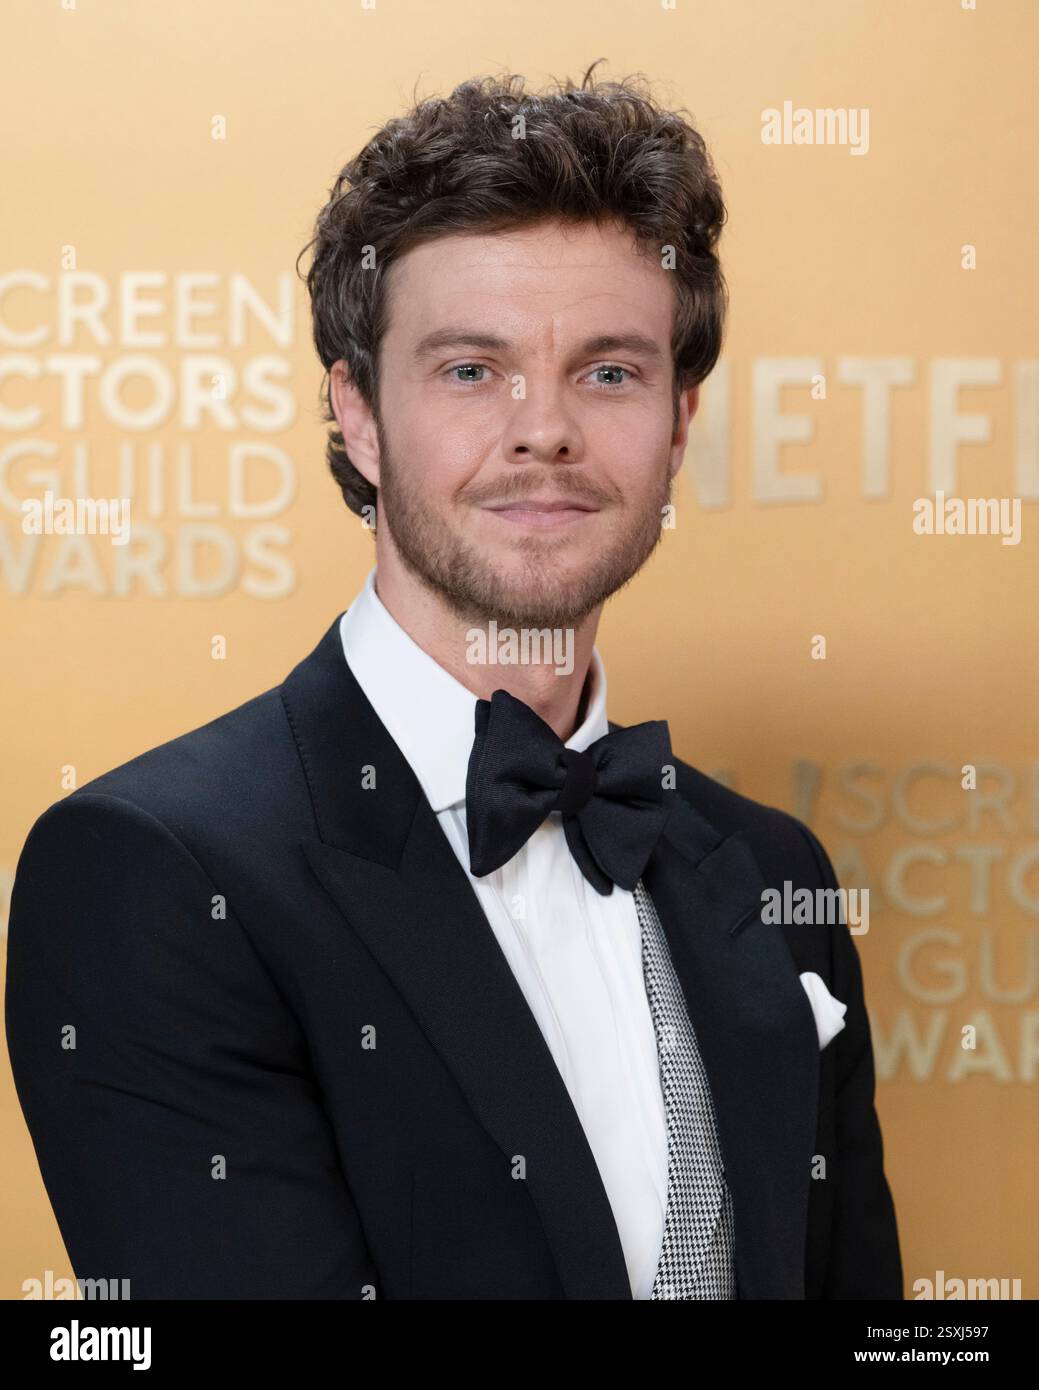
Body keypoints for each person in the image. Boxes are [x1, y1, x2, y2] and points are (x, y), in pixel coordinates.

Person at [5, 63, 901, 1299]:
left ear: (680, 426)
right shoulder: (155, 873)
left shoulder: (772, 869)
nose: (545, 429)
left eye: (609, 371)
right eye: (471, 370)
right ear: (359, 413)